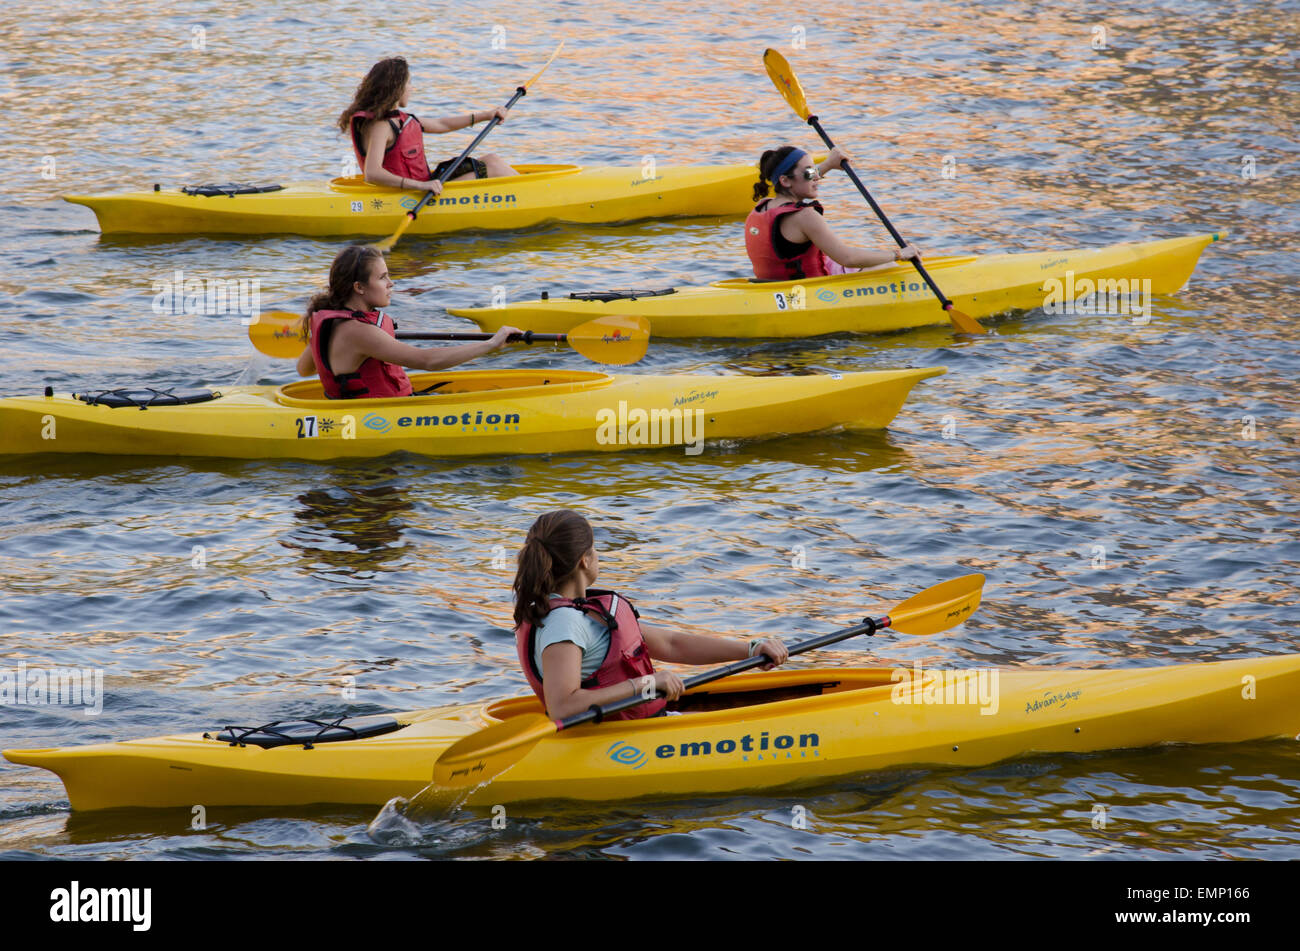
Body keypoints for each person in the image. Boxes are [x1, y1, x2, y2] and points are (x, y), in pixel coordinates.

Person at [513, 510, 790, 720]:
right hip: (614, 739)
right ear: (584, 560)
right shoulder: (564, 624)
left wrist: (752, 650)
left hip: (638, 725)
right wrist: (644, 684)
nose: (598, 555)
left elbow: (671, 644)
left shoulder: (582, 611)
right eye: (595, 549)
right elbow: (563, 706)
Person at [295, 245, 519, 398]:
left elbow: (304, 369)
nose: (391, 284)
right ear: (359, 287)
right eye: (382, 278)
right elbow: (427, 361)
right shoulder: (357, 331)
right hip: (372, 421)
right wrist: (491, 344)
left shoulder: (330, 317)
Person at [339, 56, 519, 194]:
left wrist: (486, 115)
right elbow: (372, 173)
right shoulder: (381, 126)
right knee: (494, 168)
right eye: (409, 83)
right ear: (397, 87)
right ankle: (533, 196)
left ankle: (531, 192)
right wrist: (421, 185)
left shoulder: (400, 119)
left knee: (492, 160)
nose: (412, 88)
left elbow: (442, 124)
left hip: (424, 186)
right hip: (410, 195)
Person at [746, 145, 922, 280]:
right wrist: (899, 254)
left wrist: (828, 165)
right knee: (889, 266)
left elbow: (801, 181)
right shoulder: (805, 217)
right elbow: (848, 258)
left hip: (777, 291)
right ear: (785, 181)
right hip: (811, 292)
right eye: (809, 172)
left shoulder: (762, 207)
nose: (815, 176)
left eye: (814, 170)